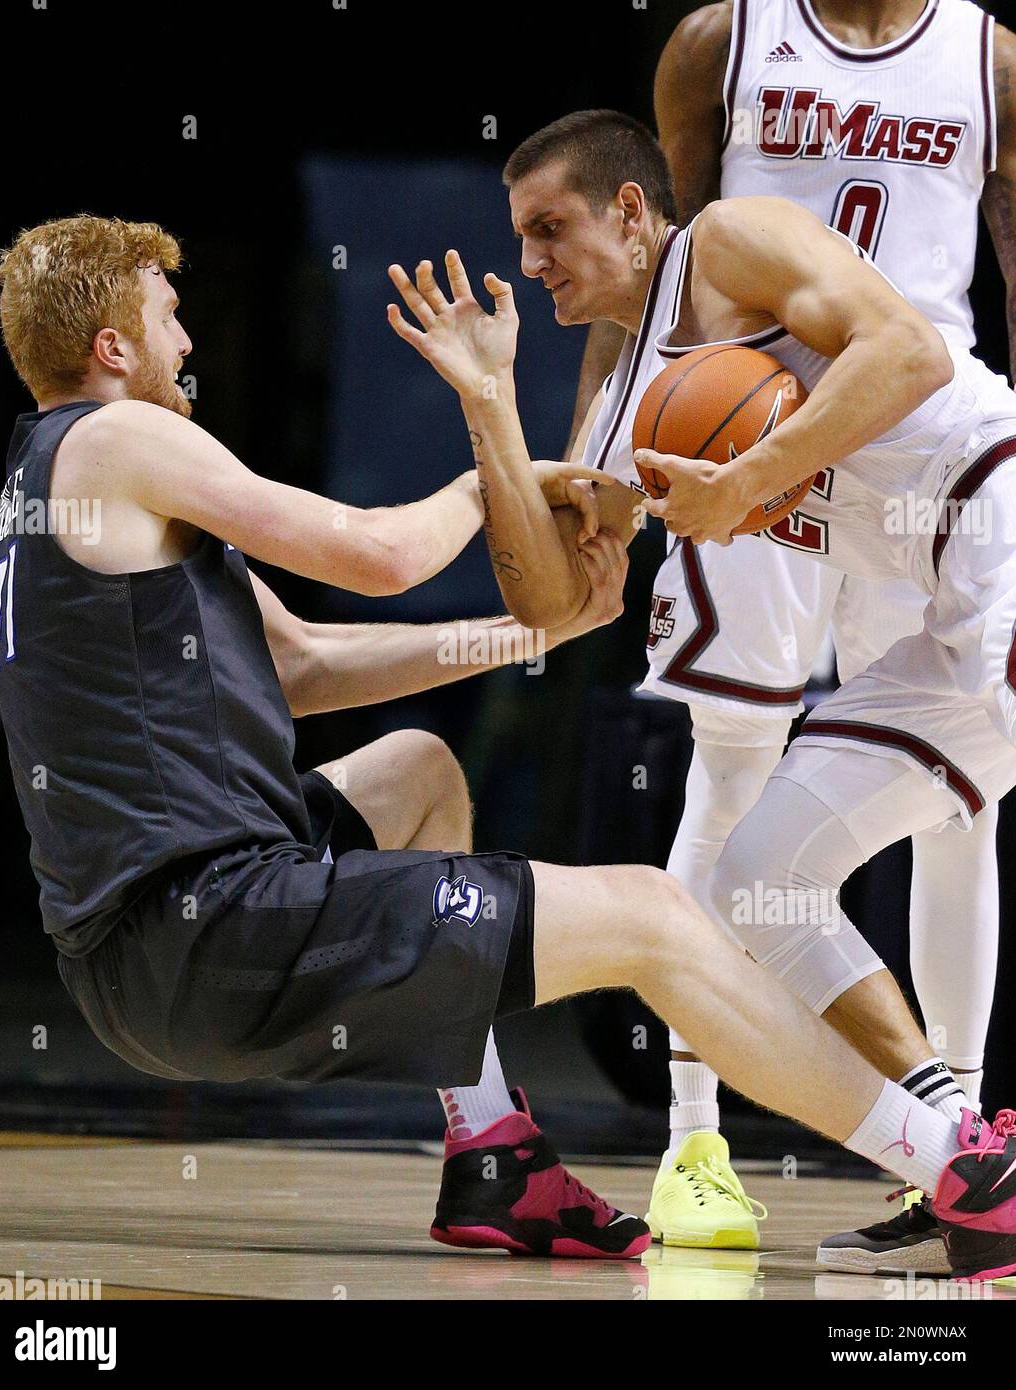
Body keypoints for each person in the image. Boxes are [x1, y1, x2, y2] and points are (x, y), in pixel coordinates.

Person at [0, 215, 1015, 1276]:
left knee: (417, 772)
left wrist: (531, 632)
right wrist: (494, 473)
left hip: (136, 959)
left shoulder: (42, 476)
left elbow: (302, 666)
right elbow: (380, 557)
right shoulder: (117, 437)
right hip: (208, 928)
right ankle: (955, 1165)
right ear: (111, 348)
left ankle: (492, 1153)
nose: (188, 344)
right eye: (167, 319)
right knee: (654, 915)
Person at [387, 111, 1016, 1278]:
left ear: (631, 213)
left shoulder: (731, 240)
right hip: (935, 615)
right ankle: (967, 1150)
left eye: (550, 229)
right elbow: (552, 603)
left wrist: (750, 480)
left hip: (993, 508)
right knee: (755, 879)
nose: (531, 262)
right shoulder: (625, 410)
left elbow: (913, 355)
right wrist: (489, 401)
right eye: (519, 240)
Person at [563, 0, 1016, 1265]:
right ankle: (695, 1148)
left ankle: (960, 1151)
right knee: (735, 768)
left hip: (922, 463)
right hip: (749, 441)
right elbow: (647, 269)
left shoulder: (988, 60)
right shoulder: (723, 41)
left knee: (956, 805)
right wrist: (597, 450)